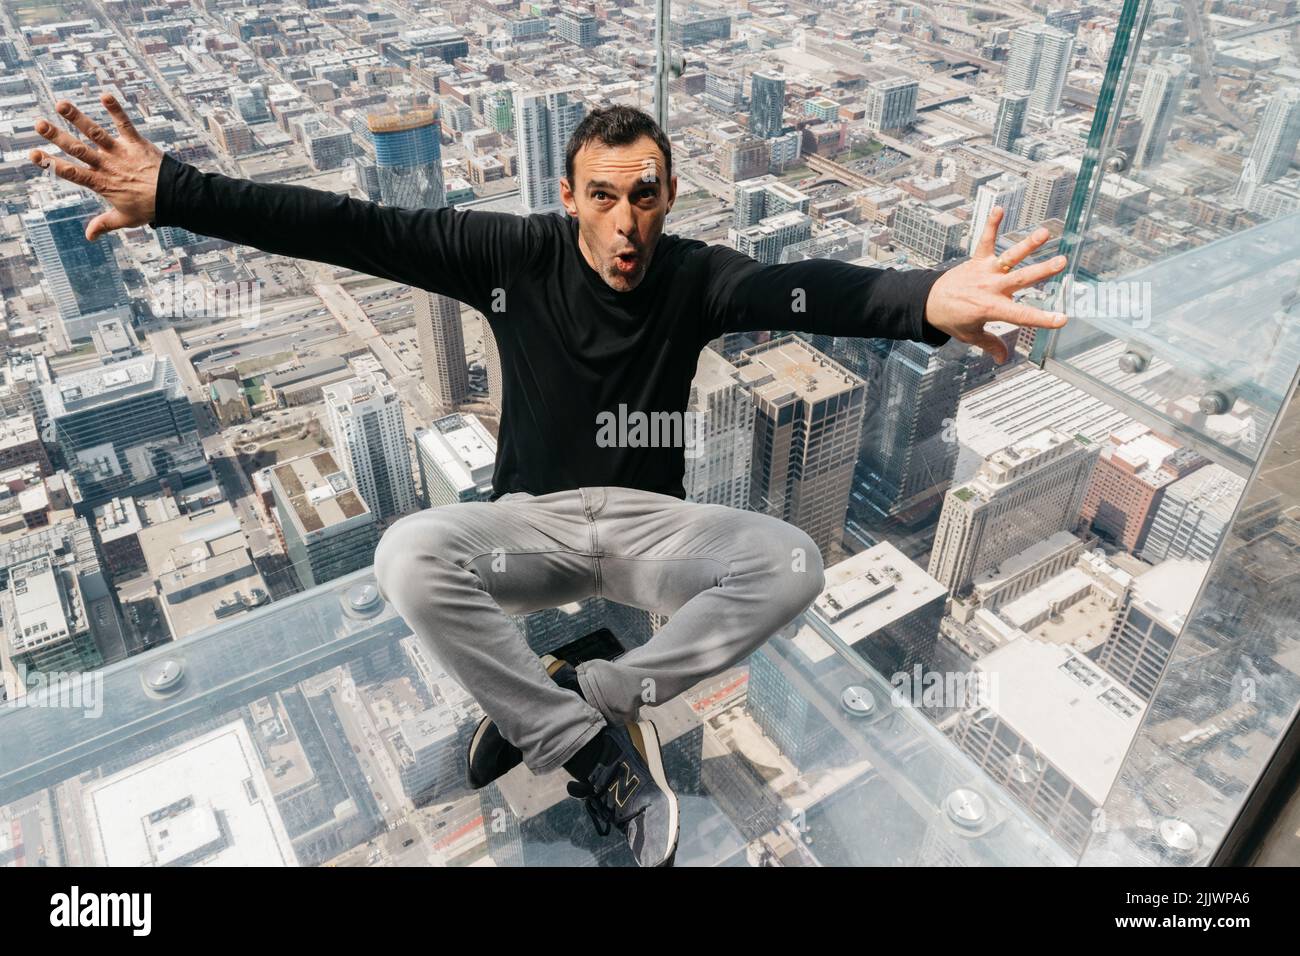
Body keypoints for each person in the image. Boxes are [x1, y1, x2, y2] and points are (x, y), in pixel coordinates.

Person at [30, 94, 1069, 867]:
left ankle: (597, 694)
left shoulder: (695, 274)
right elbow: (350, 227)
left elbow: (809, 289)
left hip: (646, 532)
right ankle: (588, 751)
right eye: (604, 196)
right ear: (568, 195)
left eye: (646, 195)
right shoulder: (510, 256)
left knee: (792, 558)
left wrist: (930, 293)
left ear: (670, 197)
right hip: (527, 526)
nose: (625, 222)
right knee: (404, 551)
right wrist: (175, 191)